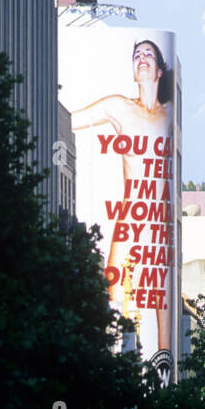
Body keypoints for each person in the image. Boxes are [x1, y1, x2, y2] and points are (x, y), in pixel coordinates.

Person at [71, 40, 175, 352]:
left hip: (159, 221)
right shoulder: (119, 107)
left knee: (162, 299)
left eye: (149, 54)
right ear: (133, 70)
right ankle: (110, 362)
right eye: (137, 55)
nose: (142, 59)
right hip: (131, 217)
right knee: (113, 295)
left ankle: (164, 375)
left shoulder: (170, 114)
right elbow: (68, 117)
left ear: (158, 70)